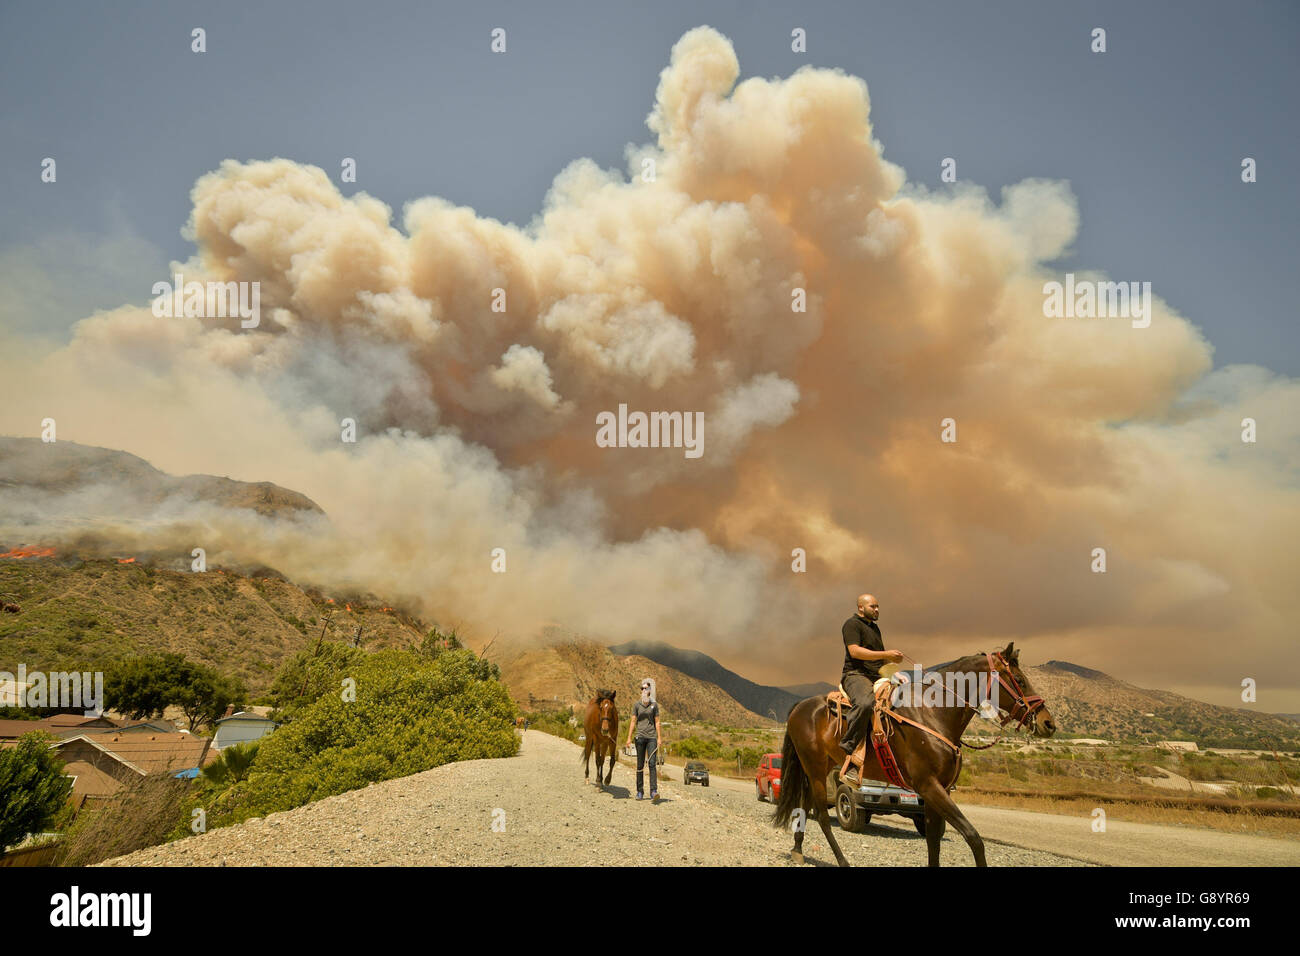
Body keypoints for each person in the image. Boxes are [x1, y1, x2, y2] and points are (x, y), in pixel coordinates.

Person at [838, 593, 904, 781]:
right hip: (856, 675)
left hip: (876, 675)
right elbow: (855, 651)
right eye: (873, 606)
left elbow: (878, 656)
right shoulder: (851, 624)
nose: (877, 610)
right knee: (866, 703)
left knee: (904, 698)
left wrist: (892, 663)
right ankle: (849, 750)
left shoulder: (874, 628)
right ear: (861, 607)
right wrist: (886, 653)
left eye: (877, 606)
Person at [625, 677, 662, 800]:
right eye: (642, 688)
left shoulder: (654, 705)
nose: (644, 690)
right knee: (640, 765)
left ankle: (653, 791)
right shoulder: (637, 705)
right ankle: (639, 792)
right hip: (640, 737)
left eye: (646, 688)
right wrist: (629, 738)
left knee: (652, 764)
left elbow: (657, 722)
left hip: (652, 737)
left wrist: (659, 738)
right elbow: (633, 721)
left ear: (650, 690)